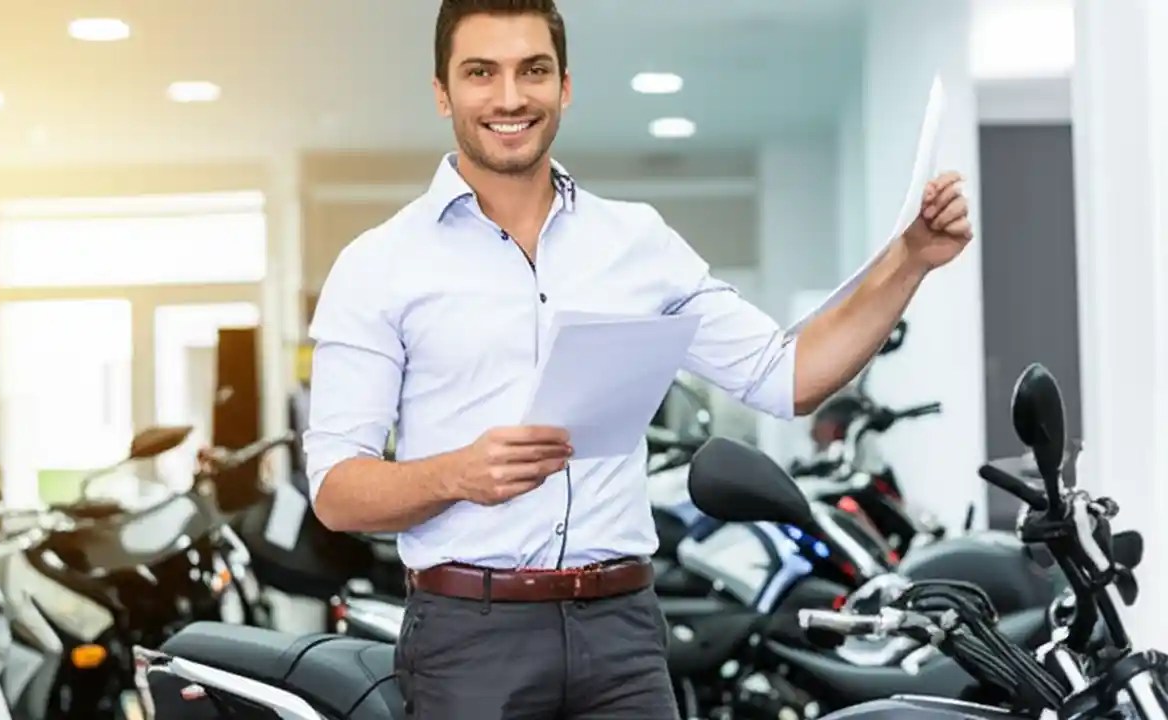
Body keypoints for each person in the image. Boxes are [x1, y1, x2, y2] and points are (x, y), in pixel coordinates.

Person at [302, 0, 974, 717]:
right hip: (472, 639)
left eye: (533, 70)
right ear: (442, 91)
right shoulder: (379, 265)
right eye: (480, 72)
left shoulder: (637, 242)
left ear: (565, 85)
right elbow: (338, 491)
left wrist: (908, 262)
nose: (509, 97)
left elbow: (788, 375)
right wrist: (456, 474)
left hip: (621, 635)